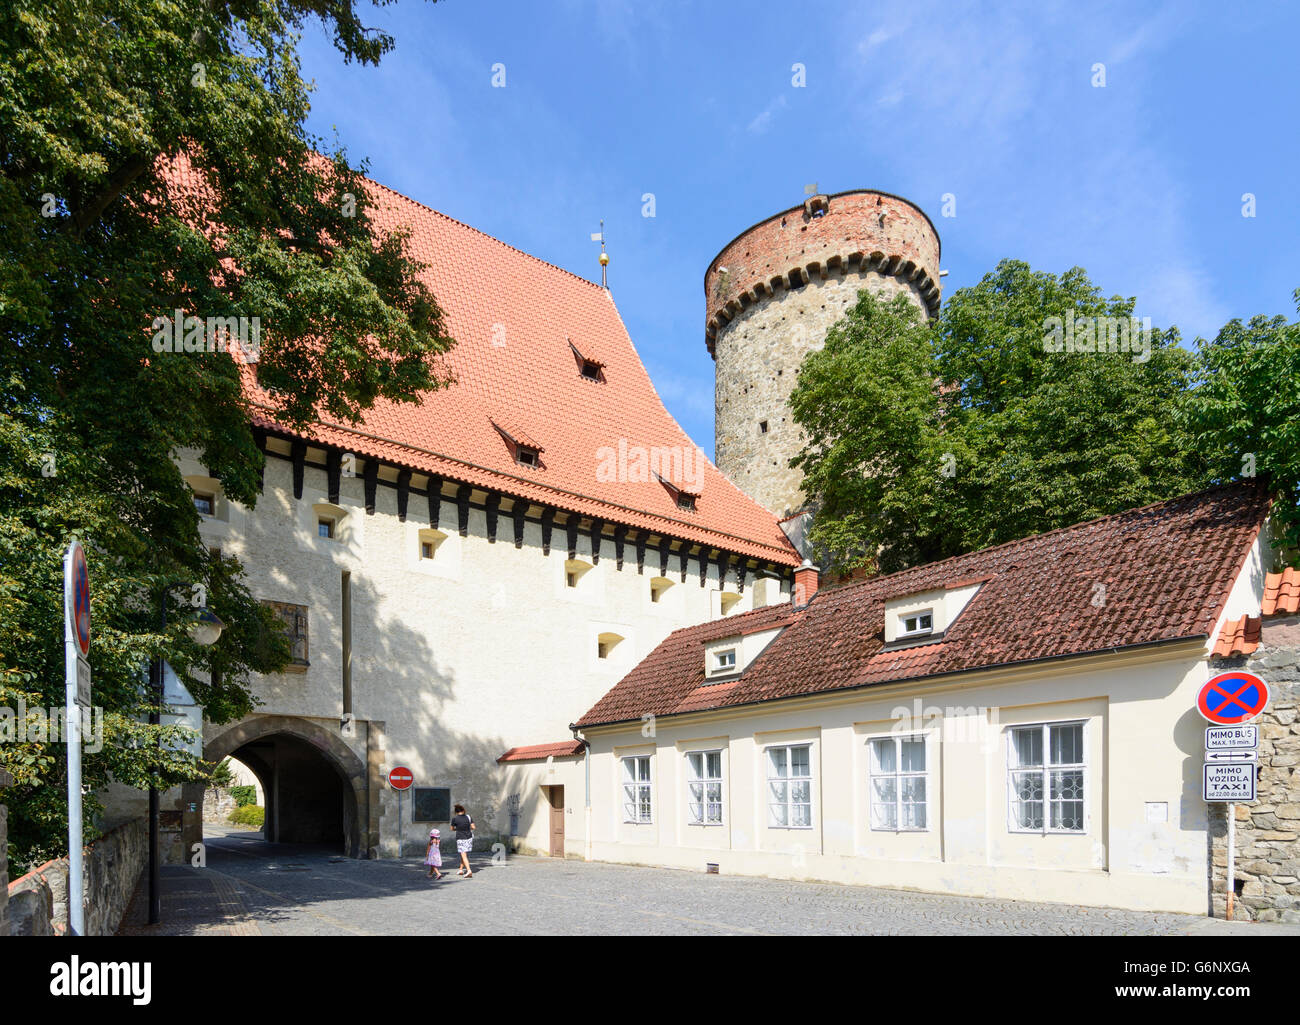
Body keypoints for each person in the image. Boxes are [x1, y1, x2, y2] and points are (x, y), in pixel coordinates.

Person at [450, 803, 475, 877]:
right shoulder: (468, 817)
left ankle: (469, 870)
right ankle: (461, 869)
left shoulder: (455, 819)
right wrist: (466, 828)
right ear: (463, 810)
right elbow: (473, 827)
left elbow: (452, 829)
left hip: (461, 838)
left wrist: (458, 828)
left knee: (463, 855)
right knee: (463, 853)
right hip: (469, 837)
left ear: (456, 812)